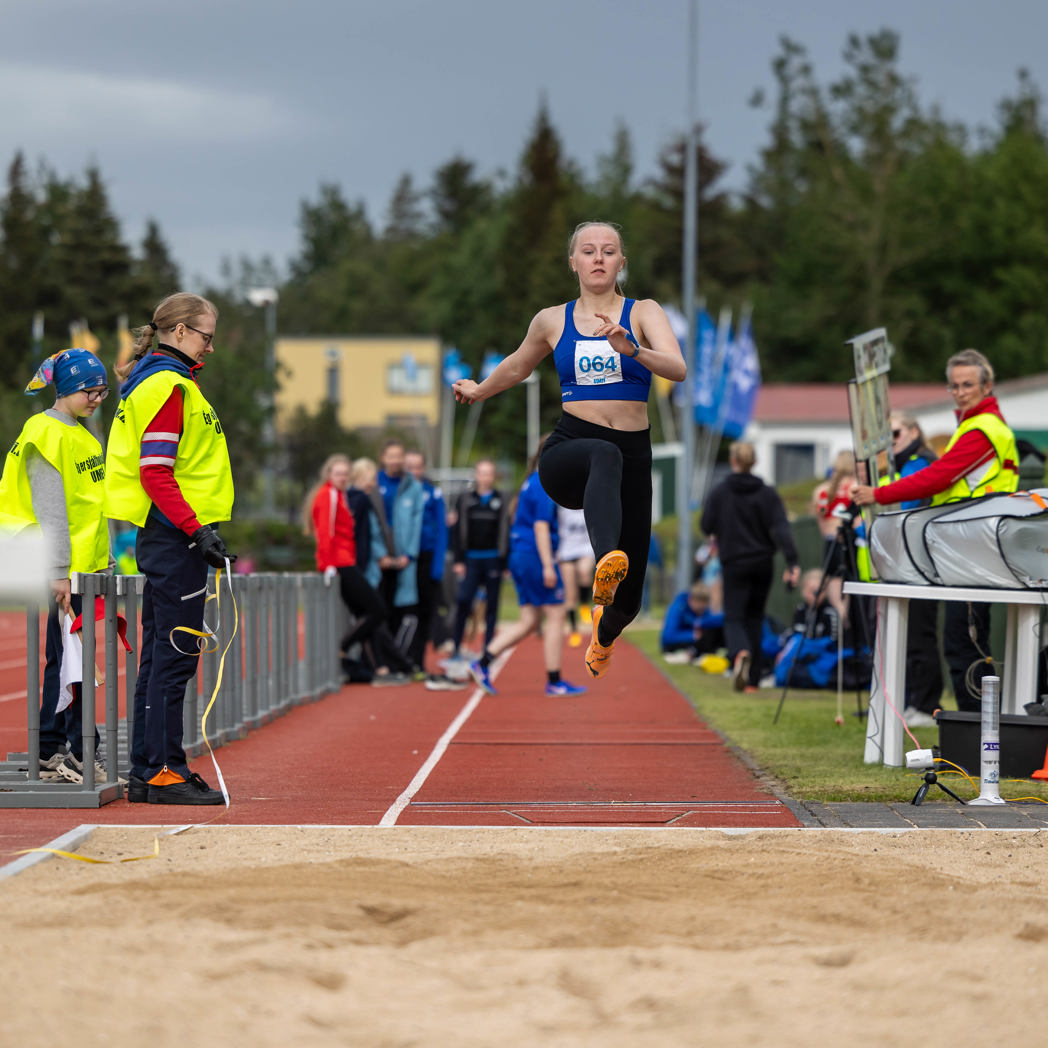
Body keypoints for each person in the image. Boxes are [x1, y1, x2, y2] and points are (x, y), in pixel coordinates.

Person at [453, 221, 686, 682]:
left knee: (629, 603)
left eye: (608, 251)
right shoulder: (551, 320)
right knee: (603, 453)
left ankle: (604, 633)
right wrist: (479, 390)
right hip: (569, 451)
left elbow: (677, 368)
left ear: (621, 263)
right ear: (573, 263)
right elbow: (518, 365)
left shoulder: (643, 312)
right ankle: (605, 563)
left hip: (633, 455)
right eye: (589, 250)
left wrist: (632, 350)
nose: (598, 258)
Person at [104, 292, 235, 805]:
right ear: (179, 331)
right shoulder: (168, 385)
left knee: (160, 656)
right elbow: (155, 471)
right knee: (175, 656)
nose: (210, 347)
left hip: (167, 533)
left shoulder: (159, 380)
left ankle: (149, 769)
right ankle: (163, 772)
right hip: (175, 534)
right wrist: (197, 531)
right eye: (206, 336)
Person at [851, 348, 1019, 711]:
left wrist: (878, 494)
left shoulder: (983, 428)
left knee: (965, 644)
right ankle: (976, 727)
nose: (959, 392)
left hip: (977, 550)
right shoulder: (975, 426)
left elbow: (938, 477)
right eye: (954, 386)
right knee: (963, 642)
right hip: (971, 547)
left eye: (967, 385)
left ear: (987, 386)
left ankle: (979, 729)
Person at [0, 349, 112, 784]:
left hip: (83, 567)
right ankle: (80, 752)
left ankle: (50, 747)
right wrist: (59, 571)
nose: (97, 399)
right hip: (63, 568)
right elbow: (51, 511)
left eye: (103, 391)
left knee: (66, 658)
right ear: (65, 388)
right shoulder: (45, 433)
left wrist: (104, 558)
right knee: (74, 662)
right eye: (90, 391)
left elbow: (91, 505)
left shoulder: (83, 435)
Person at [469, 440, 586, 697]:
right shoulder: (544, 483)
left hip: (522, 554)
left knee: (530, 620)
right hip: (534, 555)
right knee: (556, 614)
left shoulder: (532, 481)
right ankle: (554, 681)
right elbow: (540, 526)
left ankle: (483, 662)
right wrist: (548, 565)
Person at [700, 441, 801, 693]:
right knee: (755, 617)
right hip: (762, 561)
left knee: (734, 616)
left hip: (734, 561)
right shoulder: (767, 493)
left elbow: (706, 524)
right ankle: (753, 680)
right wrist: (792, 561)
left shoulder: (720, 492)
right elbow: (781, 527)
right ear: (754, 462)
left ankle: (740, 651)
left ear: (733, 461)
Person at [306, 454, 412, 685]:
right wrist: (327, 565)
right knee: (377, 609)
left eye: (345, 473)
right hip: (340, 564)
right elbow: (324, 532)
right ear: (328, 474)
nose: (343, 477)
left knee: (367, 614)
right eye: (338, 473)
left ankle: (379, 670)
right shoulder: (328, 495)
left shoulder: (340, 495)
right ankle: (343, 647)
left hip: (346, 561)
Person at [885, 412, 943, 726]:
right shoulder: (901, 464)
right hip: (909, 557)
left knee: (920, 632)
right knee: (908, 634)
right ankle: (915, 702)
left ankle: (927, 705)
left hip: (921, 559)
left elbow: (905, 506)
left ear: (914, 431)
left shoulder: (920, 462)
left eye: (895, 433)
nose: (890, 441)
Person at [404, 449, 462, 690]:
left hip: (426, 560)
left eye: (417, 467)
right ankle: (401, 660)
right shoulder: (400, 492)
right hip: (403, 561)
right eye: (409, 467)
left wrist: (437, 567)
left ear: (423, 468)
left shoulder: (433, 493)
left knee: (425, 613)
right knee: (403, 613)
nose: (413, 472)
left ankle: (417, 662)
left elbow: (441, 532)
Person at [450, 458, 509, 658]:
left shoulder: (501, 499)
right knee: (463, 601)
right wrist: (458, 560)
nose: (485, 477)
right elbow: (458, 530)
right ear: (476, 475)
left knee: (492, 606)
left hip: (493, 559)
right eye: (481, 473)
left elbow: (505, 530)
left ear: (494, 476)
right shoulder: (465, 499)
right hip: (470, 560)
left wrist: (505, 561)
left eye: (489, 473)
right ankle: (456, 647)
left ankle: (487, 650)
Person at [375, 438, 424, 664]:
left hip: (404, 558)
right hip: (379, 558)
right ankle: (379, 660)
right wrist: (379, 554)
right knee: (378, 608)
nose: (395, 460)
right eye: (391, 456)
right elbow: (370, 521)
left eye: (399, 456)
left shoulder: (413, 486)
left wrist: (410, 554)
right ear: (383, 458)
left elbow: (416, 522)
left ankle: (397, 660)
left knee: (401, 609)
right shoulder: (374, 483)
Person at [556, 505, 594, 647]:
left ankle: (584, 604)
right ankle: (574, 631)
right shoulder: (562, 508)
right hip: (567, 551)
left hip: (585, 549)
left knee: (584, 571)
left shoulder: (588, 505)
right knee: (570, 596)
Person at [660, 580, 725, 664]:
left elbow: (719, 619)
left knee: (715, 630)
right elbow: (669, 636)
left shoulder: (704, 610)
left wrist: (699, 622)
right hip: (674, 644)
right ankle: (691, 654)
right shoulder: (678, 607)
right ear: (691, 600)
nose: (701, 612)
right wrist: (692, 635)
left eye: (703, 609)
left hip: (695, 642)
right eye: (699, 609)